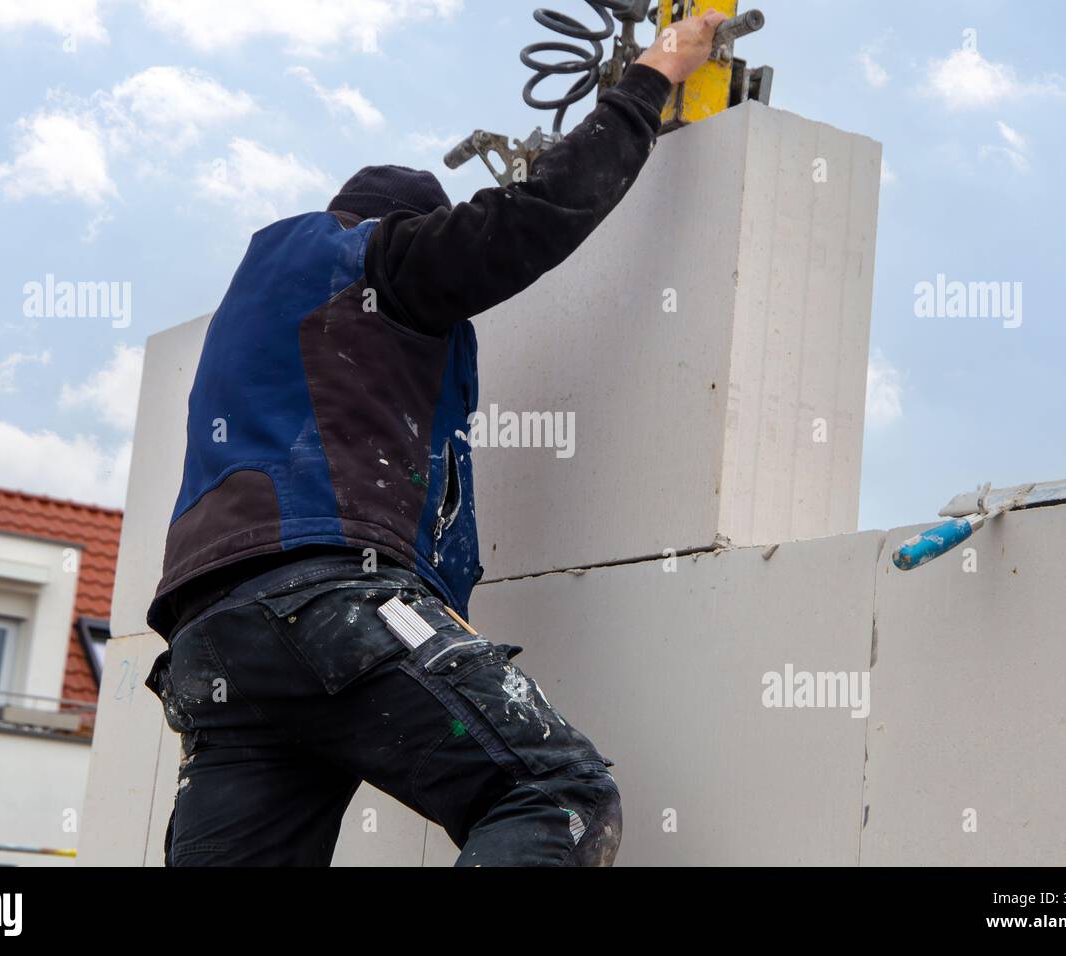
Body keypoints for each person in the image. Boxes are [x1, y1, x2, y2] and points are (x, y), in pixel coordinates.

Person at [144, 11, 727, 867]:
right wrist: (650, 79)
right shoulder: (375, 265)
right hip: (327, 607)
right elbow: (534, 216)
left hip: (215, 652)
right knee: (556, 793)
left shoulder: (260, 326)